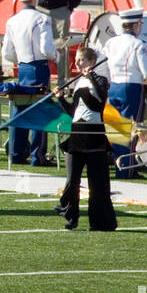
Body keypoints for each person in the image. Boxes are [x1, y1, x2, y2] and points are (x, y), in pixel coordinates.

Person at [54, 45, 116, 233]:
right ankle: (71, 218)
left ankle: (100, 222)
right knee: (71, 181)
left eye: (81, 60)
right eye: (77, 60)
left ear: (91, 62)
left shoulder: (101, 80)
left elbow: (101, 101)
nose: (77, 63)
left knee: (97, 184)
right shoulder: (78, 82)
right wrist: (60, 98)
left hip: (95, 137)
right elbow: (74, 111)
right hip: (76, 137)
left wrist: (91, 77)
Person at [2, 0, 57, 166]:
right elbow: (46, 49)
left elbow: (7, 52)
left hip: (23, 68)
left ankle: (16, 154)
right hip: (39, 68)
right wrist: (57, 54)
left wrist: (22, 59)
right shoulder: (42, 19)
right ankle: (37, 155)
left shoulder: (12, 20)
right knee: (40, 111)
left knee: (21, 110)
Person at [104, 1, 147, 124]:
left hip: (113, 87)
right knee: (132, 128)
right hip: (131, 88)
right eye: (140, 24)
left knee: (115, 130)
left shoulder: (110, 42)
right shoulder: (138, 44)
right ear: (136, 25)